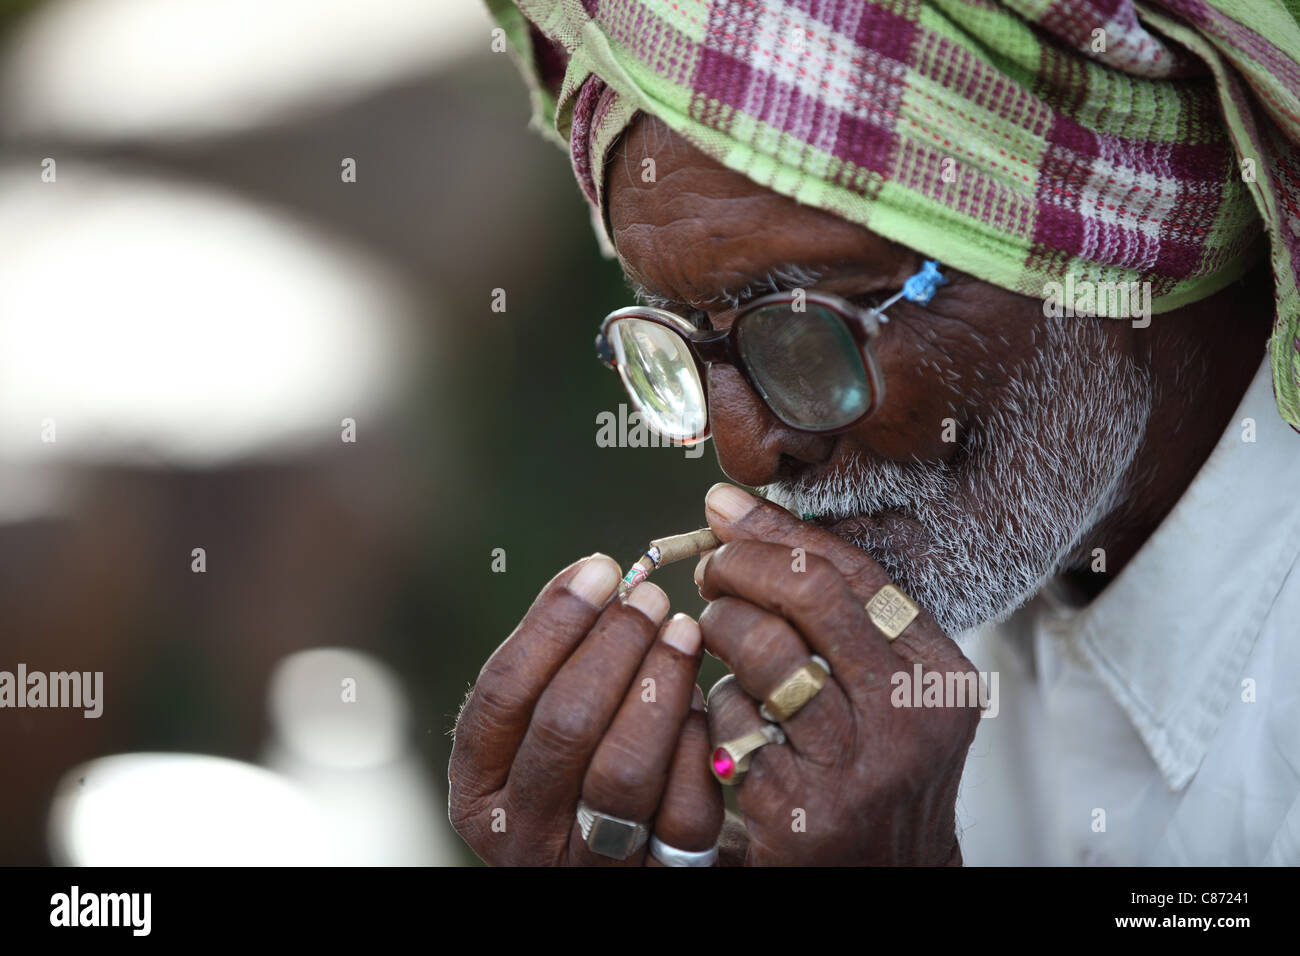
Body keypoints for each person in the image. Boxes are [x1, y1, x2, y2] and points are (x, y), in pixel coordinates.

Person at [449, 0, 1300, 865]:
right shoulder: (896, 644)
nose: (745, 454)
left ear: (1110, 246)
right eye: (686, 339)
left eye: (806, 329)